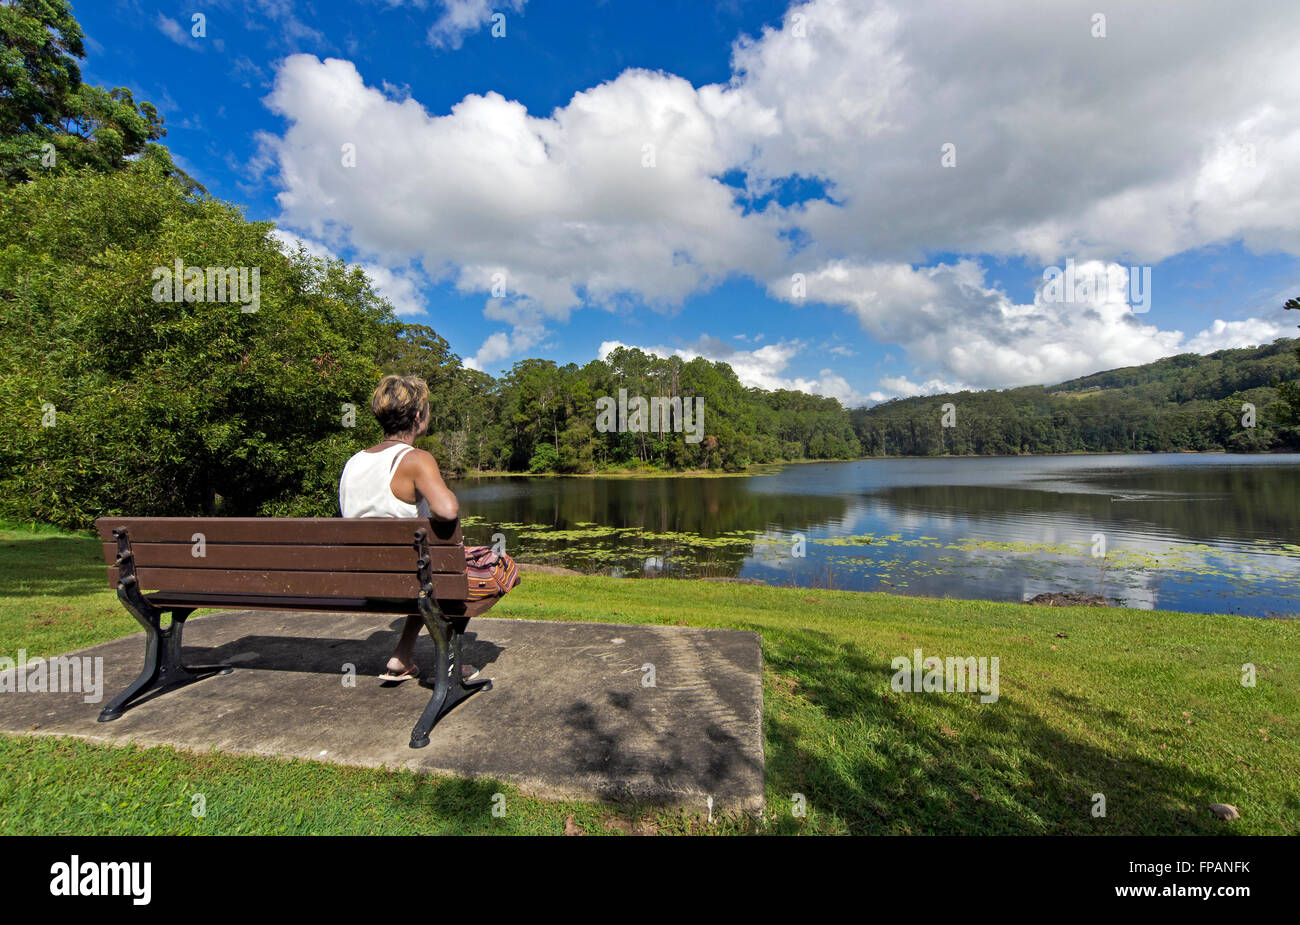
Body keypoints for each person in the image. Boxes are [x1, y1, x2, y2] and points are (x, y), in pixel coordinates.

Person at [338, 374, 515, 682]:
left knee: (423, 573)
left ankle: (402, 656)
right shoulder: (415, 459)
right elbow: (447, 511)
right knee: (495, 564)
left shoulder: (353, 462)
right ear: (418, 416)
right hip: (411, 581)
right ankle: (448, 664)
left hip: (365, 583)